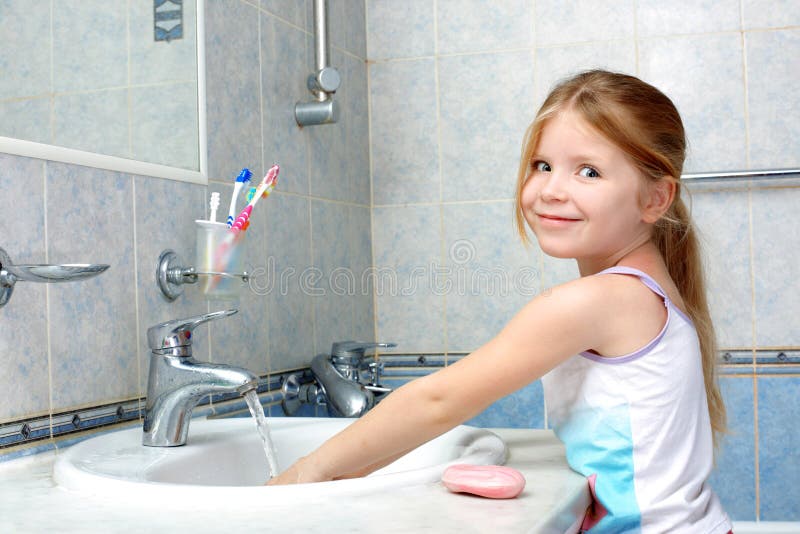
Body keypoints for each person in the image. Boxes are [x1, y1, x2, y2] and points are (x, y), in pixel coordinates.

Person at [269, 70, 732, 533]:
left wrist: (303, 473)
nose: (551, 188)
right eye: (542, 165)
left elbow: (438, 400)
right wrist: (342, 472)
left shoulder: (601, 299)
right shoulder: (648, 288)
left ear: (655, 199)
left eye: (588, 171)